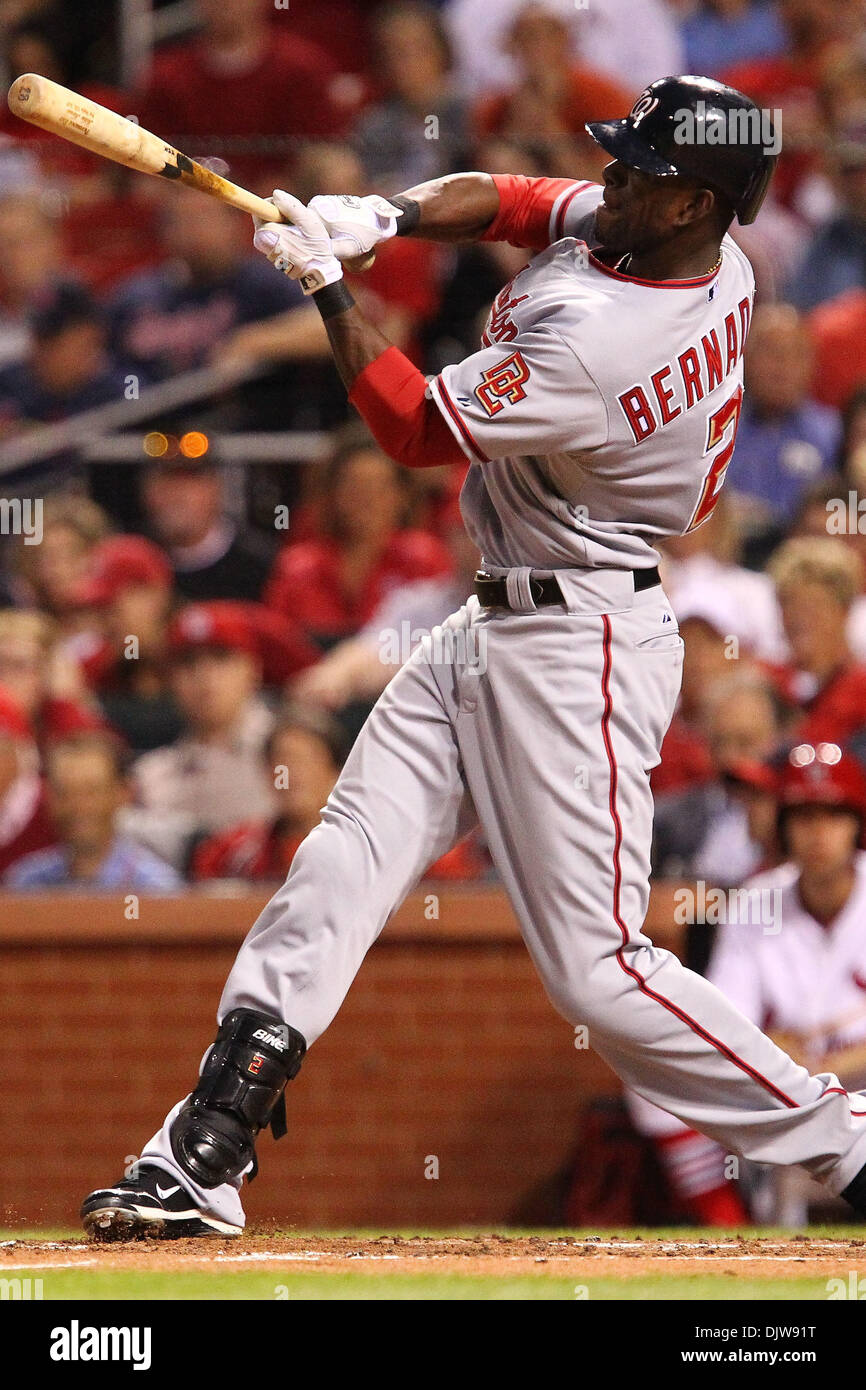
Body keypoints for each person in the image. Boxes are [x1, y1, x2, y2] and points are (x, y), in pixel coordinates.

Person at [82, 76, 866, 1245]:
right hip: (496, 618)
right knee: (340, 860)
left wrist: (326, 289)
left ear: (695, 203)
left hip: (578, 645)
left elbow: (408, 429)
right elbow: (509, 197)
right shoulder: (682, 244)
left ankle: (842, 1146)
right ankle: (203, 1149)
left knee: (598, 973)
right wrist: (384, 216)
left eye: (643, 170)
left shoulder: (611, 341)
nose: (613, 178)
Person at [634, 740, 866, 1224]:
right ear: (783, 826)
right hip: (797, 1077)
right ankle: (740, 1241)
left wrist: (848, 1058)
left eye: (832, 815)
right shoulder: (758, 900)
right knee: (652, 1091)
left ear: (856, 824)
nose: (818, 833)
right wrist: (770, 1047)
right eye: (803, 817)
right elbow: (728, 1015)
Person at [6, 731, 181, 891]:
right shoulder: (26, 883)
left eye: (92, 791)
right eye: (64, 792)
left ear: (123, 794)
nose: (78, 806)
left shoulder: (155, 888)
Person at [191, 704, 345, 884]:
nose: (292, 773)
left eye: (307, 759)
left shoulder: (357, 849)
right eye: (282, 761)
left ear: (336, 772)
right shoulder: (232, 852)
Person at [726, 304, 841, 532]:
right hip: (727, 552)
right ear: (744, 359)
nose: (781, 367)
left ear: (812, 364)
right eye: (770, 352)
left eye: (794, 354)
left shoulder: (833, 433)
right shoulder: (719, 429)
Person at [140, 453, 275, 604]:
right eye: (166, 484)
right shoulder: (134, 564)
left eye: (189, 484)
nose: (176, 497)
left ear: (215, 488)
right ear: (147, 492)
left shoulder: (259, 564)